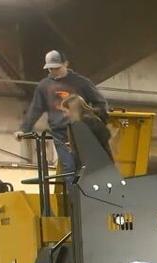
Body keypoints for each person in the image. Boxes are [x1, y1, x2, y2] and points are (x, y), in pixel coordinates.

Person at [17, 50, 109, 178]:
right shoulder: (44, 86)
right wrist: (24, 129)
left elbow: (100, 103)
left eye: (57, 68)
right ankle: (75, 198)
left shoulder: (81, 83)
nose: (53, 72)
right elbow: (35, 108)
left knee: (85, 167)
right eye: (50, 69)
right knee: (69, 168)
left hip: (81, 130)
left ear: (66, 64)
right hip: (60, 133)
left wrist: (98, 122)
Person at [60, 94, 113, 163]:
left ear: (73, 110)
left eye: (65, 112)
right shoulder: (81, 122)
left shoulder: (87, 123)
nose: (64, 115)